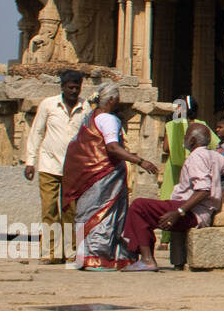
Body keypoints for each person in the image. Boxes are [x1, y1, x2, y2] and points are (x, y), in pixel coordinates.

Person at [61, 83, 159, 270]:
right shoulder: (108, 119)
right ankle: (99, 256)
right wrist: (140, 161)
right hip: (105, 174)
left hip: (89, 174)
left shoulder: (91, 116)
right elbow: (112, 147)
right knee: (105, 214)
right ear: (112, 99)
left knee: (88, 212)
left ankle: (86, 256)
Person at [121, 122, 224, 271]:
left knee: (139, 206)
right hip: (199, 210)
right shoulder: (212, 154)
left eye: (186, 136)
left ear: (192, 140)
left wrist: (178, 212)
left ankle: (146, 259)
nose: (183, 139)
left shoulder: (197, 157)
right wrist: (221, 197)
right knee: (147, 212)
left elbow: (203, 190)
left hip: (191, 212)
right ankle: (141, 254)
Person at [24, 69, 88, 263]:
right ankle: (50, 251)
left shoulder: (86, 108)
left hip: (74, 168)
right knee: (49, 209)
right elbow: (36, 133)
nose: (73, 91)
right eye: (70, 87)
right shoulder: (48, 105)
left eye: (77, 88)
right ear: (62, 87)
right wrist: (30, 161)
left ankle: (70, 251)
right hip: (49, 165)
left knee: (71, 211)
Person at [158, 96, 218, 264]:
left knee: (171, 200)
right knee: (193, 200)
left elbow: (165, 148)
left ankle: (164, 240)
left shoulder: (171, 126)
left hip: (175, 170)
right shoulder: (201, 125)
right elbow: (214, 144)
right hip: (198, 167)